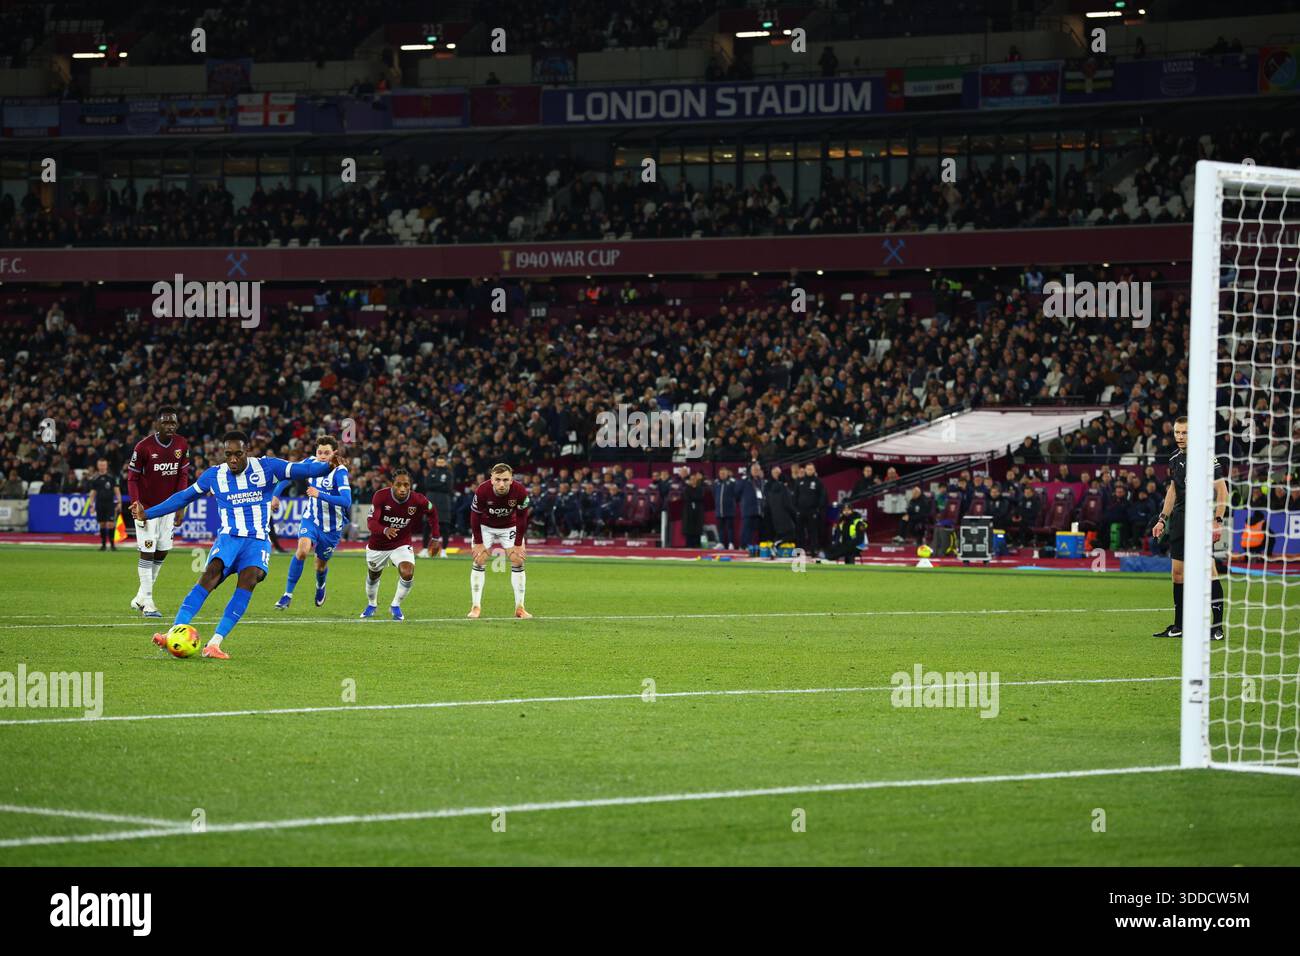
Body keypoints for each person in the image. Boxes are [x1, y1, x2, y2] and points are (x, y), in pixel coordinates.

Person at [141, 431, 344, 659]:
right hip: (229, 538)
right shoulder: (214, 476)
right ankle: (172, 634)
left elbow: (303, 470)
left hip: (257, 542)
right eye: (229, 454)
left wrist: (328, 466)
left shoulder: (267, 467)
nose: (233, 459)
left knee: (249, 580)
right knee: (209, 577)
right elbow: (182, 497)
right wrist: (147, 513)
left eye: (238, 453)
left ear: (247, 450)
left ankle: (214, 644)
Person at [1151, 417, 1228, 640]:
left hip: (1202, 520)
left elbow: (1222, 491)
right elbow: (1173, 491)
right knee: (1177, 574)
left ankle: (1217, 627)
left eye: (1184, 433)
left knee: (1208, 571)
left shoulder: (1206, 457)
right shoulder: (1174, 458)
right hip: (1180, 521)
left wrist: (1218, 520)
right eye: (1177, 432)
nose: (1180, 437)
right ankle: (1179, 626)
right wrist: (1162, 519)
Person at [271, 435, 351, 610]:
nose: (322, 456)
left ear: (334, 453)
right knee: (302, 550)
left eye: (327, 453)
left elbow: (346, 501)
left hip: (332, 528)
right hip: (311, 519)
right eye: (320, 452)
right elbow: (287, 475)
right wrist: (276, 494)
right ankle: (287, 595)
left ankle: (320, 585)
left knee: (320, 565)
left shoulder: (340, 471)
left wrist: (319, 494)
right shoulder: (310, 462)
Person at [127, 407, 190, 618]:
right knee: (147, 550)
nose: (170, 426)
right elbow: (132, 477)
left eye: (173, 422)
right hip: (147, 509)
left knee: (162, 551)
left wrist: (181, 505)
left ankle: (140, 597)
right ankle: (149, 603)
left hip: (169, 508)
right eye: (165, 422)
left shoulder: (182, 444)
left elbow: (182, 475)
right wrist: (136, 503)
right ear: (157, 424)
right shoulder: (143, 447)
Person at [362, 470, 439, 621]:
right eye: (399, 485)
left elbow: (433, 512)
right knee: (373, 575)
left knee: (408, 572)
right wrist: (384, 529)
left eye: (406, 485)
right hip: (378, 544)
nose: (402, 489)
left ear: (411, 485)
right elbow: (371, 522)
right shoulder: (381, 496)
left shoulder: (418, 499)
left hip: (401, 543)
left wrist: (435, 537)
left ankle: (395, 605)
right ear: (392, 485)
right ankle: (372, 604)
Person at [468, 463, 532, 619]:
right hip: (485, 526)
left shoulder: (521, 491)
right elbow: (474, 516)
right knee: (480, 559)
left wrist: (518, 544)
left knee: (518, 560)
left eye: (505, 479)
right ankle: (476, 607)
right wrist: (479, 542)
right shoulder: (482, 490)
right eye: (497, 479)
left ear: (511, 480)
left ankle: (520, 608)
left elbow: (523, 517)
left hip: (508, 526)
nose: (501, 484)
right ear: (491, 479)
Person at [421, 452, 453, 557]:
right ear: (436, 462)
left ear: (445, 462)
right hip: (431, 501)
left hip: (444, 502)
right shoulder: (431, 472)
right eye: (438, 461)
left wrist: (434, 485)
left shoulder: (449, 473)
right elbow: (427, 485)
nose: (440, 463)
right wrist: (440, 484)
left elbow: (448, 488)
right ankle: (425, 549)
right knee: (427, 525)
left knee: (444, 526)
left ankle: (443, 550)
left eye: (442, 461)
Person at [88, 458, 121, 551]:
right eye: (100, 465)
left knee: (110, 524)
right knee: (102, 524)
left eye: (103, 465)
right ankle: (103, 545)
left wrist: (119, 502)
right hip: (99, 503)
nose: (102, 467)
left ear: (106, 466)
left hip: (110, 503)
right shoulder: (95, 478)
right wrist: (91, 505)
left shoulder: (111, 477)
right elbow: (92, 493)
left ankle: (112, 545)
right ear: (98, 466)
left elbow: (117, 491)